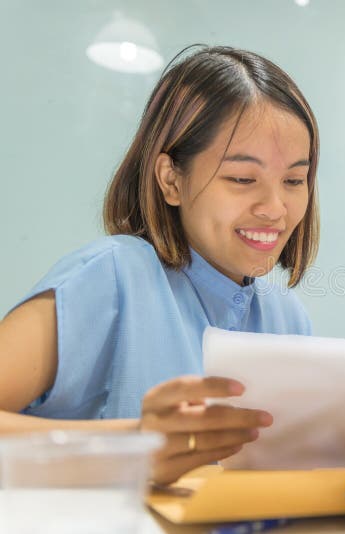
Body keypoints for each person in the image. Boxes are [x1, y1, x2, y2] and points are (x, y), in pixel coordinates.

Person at [0, 46, 320, 484]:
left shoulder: (287, 318)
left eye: (294, 180)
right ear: (171, 179)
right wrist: (130, 448)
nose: (274, 208)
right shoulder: (110, 277)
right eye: (243, 179)